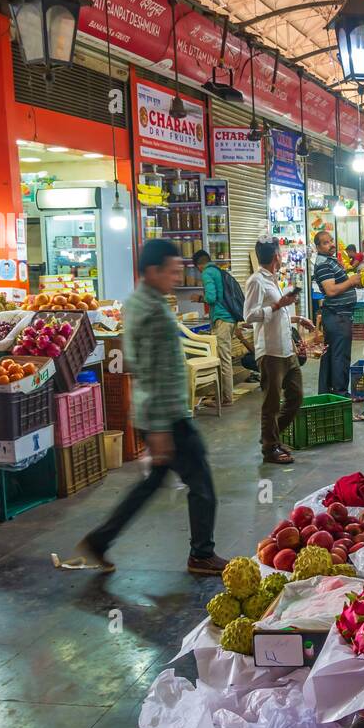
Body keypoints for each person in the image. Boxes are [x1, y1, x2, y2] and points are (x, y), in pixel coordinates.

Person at [80, 239, 227, 576]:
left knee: (150, 485)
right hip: (167, 416)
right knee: (202, 485)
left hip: (156, 412)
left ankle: (100, 540)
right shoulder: (151, 310)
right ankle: (201, 554)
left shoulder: (139, 302)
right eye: (173, 271)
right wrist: (161, 429)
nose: (177, 277)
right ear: (152, 271)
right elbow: (150, 369)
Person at [245, 239, 311, 464]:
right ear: (276, 256)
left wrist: (298, 318)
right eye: (280, 253)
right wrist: (277, 305)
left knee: (296, 397)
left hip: (285, 349)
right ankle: (269, 448)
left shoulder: (274, 279)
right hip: (270, 351)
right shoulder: (256, 281)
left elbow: (278, 314)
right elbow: (249, 316)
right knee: (271, 403)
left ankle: (270, 437)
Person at [311, 230, 364, 395]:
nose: (331, 244)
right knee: (340, 356)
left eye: (331, 240)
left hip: (340, 315)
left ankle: (330, 391)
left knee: (334, 354)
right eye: (326, 243)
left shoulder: (329, 260)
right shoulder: (323, 264)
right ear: (318, 247)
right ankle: (340, 392)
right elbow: (331, 290)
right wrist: (350, 281)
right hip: (337, 315)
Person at [196, 250, 234, 407]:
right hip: (229, 318)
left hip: (222, 319)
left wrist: (199, 298)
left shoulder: (206, 273)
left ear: (199, 265)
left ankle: (226, 398)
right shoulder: (219, 270)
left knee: (224, 359)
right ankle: (224, 396)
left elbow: (211, 297)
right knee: (224, 357)